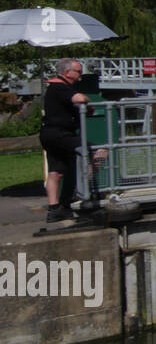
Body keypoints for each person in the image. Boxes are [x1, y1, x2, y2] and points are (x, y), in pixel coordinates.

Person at [40, 59, 91, 224]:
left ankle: (54, 209)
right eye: (78, 72)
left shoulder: (56, 87)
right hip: (60, 134)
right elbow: (79, 98)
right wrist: (87, 102)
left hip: (50, 134)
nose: (80, 76)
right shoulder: (59, 86)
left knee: (56, 172)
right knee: (95, 150)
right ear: (67, 72)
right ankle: (90, 191)